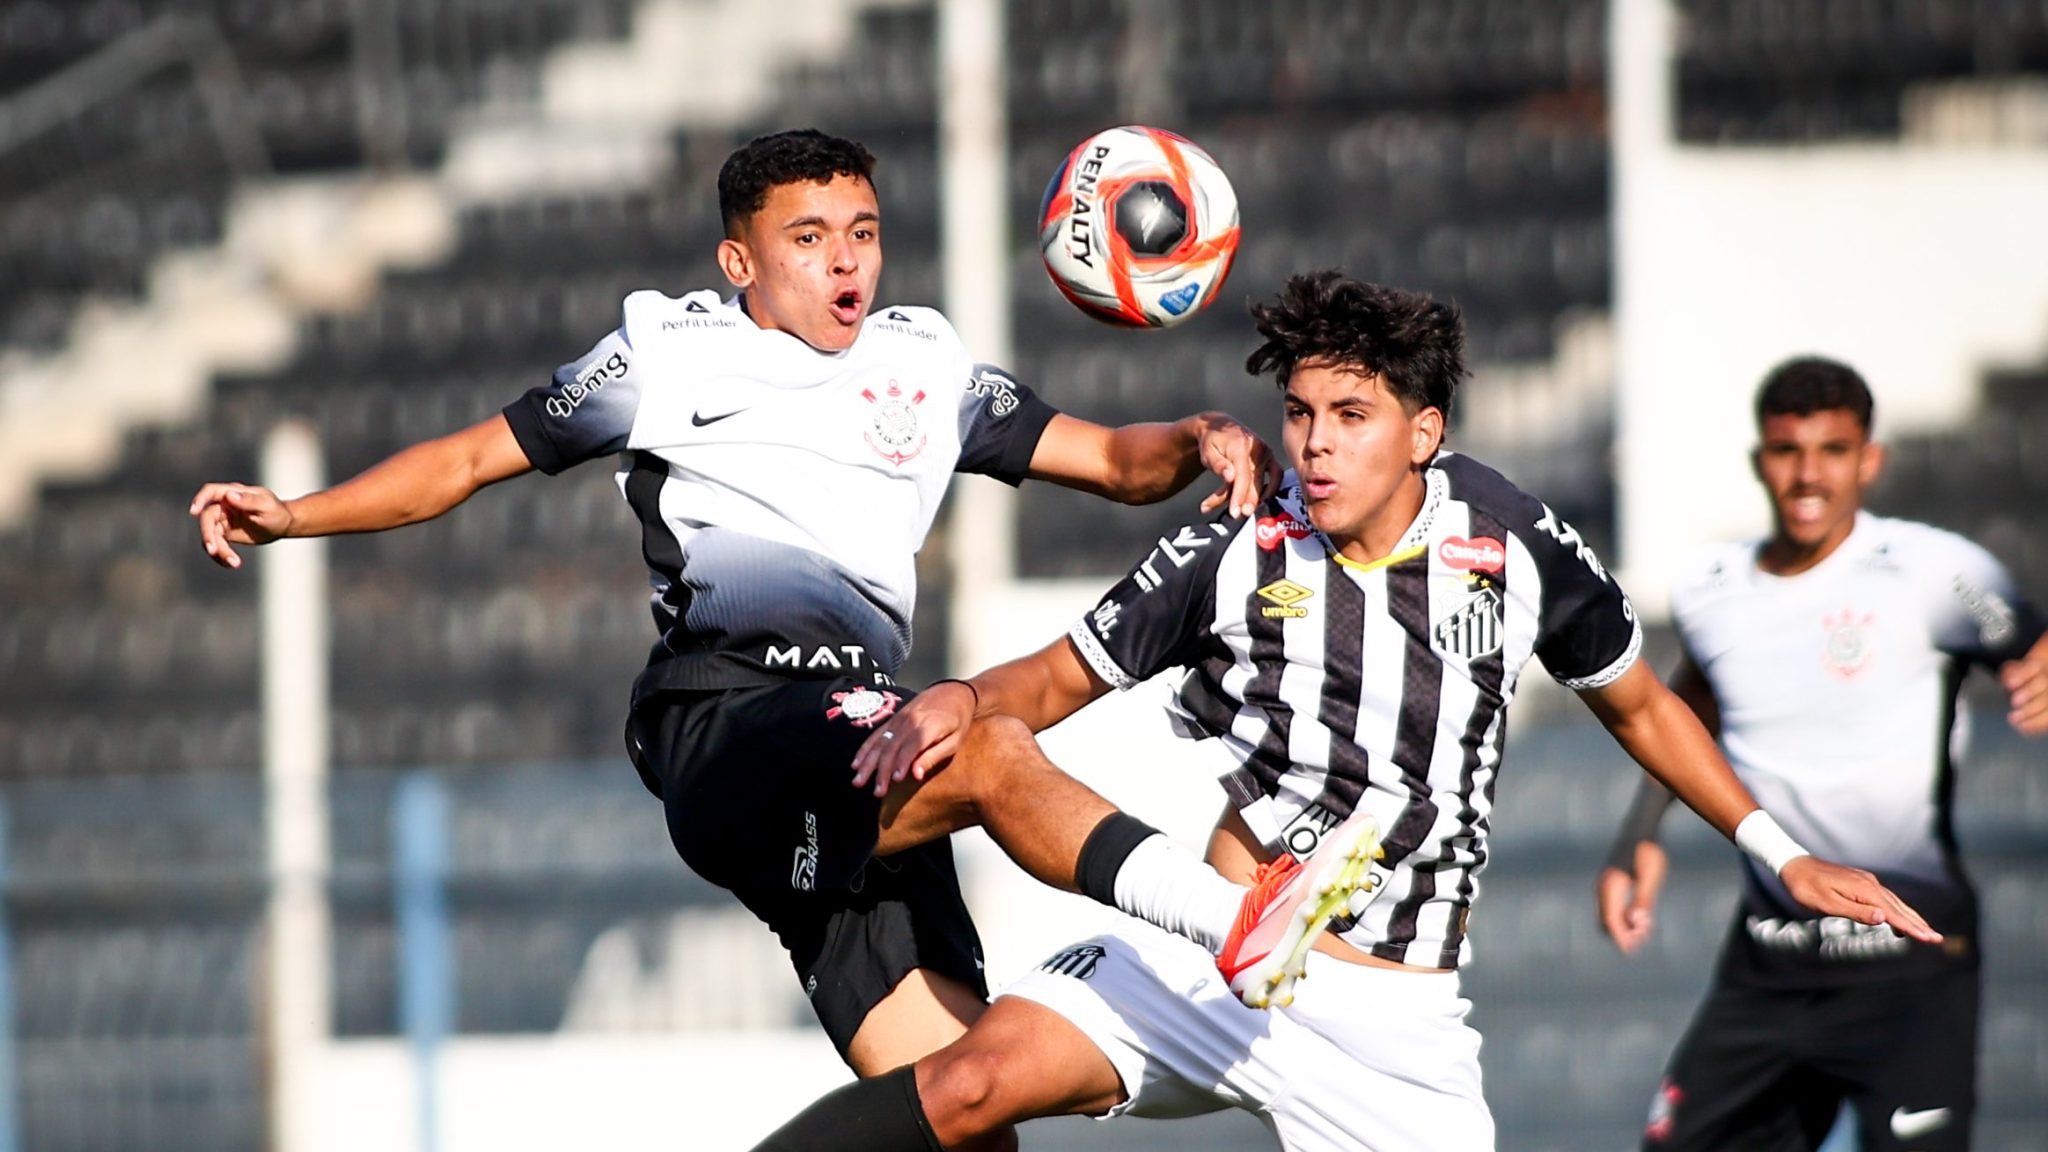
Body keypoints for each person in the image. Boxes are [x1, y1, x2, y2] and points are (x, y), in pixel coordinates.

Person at [187, 129, 1325, 1101]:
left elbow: (1107, 459)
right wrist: (295, 516)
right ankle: (1225, 919)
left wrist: (1193, 442)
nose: (846, 263)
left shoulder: (921, 365)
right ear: (741, 258)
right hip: (734, 723)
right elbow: (468, 460)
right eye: (809, 238)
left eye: (862, 233)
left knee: (964, 1101)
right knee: (985, 743)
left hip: (868, 744)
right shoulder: (666, 352)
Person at [747, 273, 1939, 1152]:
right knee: (970, 1084)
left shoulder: (1510, 541)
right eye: (1301, 413)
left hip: (1390, 1018)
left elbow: (1637, 706)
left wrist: (1777, 852)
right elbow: (1054, 681)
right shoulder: (1238, 536)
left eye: (1349, 416)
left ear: (1423, 433)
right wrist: (965, 695)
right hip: (1208, 956)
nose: (1312, 445)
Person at [1596, 357, 2048, 1152]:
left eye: (1833, 451)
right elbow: (1683, 710)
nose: (1808, 476)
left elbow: (2031, 643)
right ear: (1759, 460)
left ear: (1869, 459)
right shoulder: (1711, 585)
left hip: (1910, 960)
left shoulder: (1937, 571)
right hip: (1770, 963)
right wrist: (1640, 833)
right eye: (1787, 451)